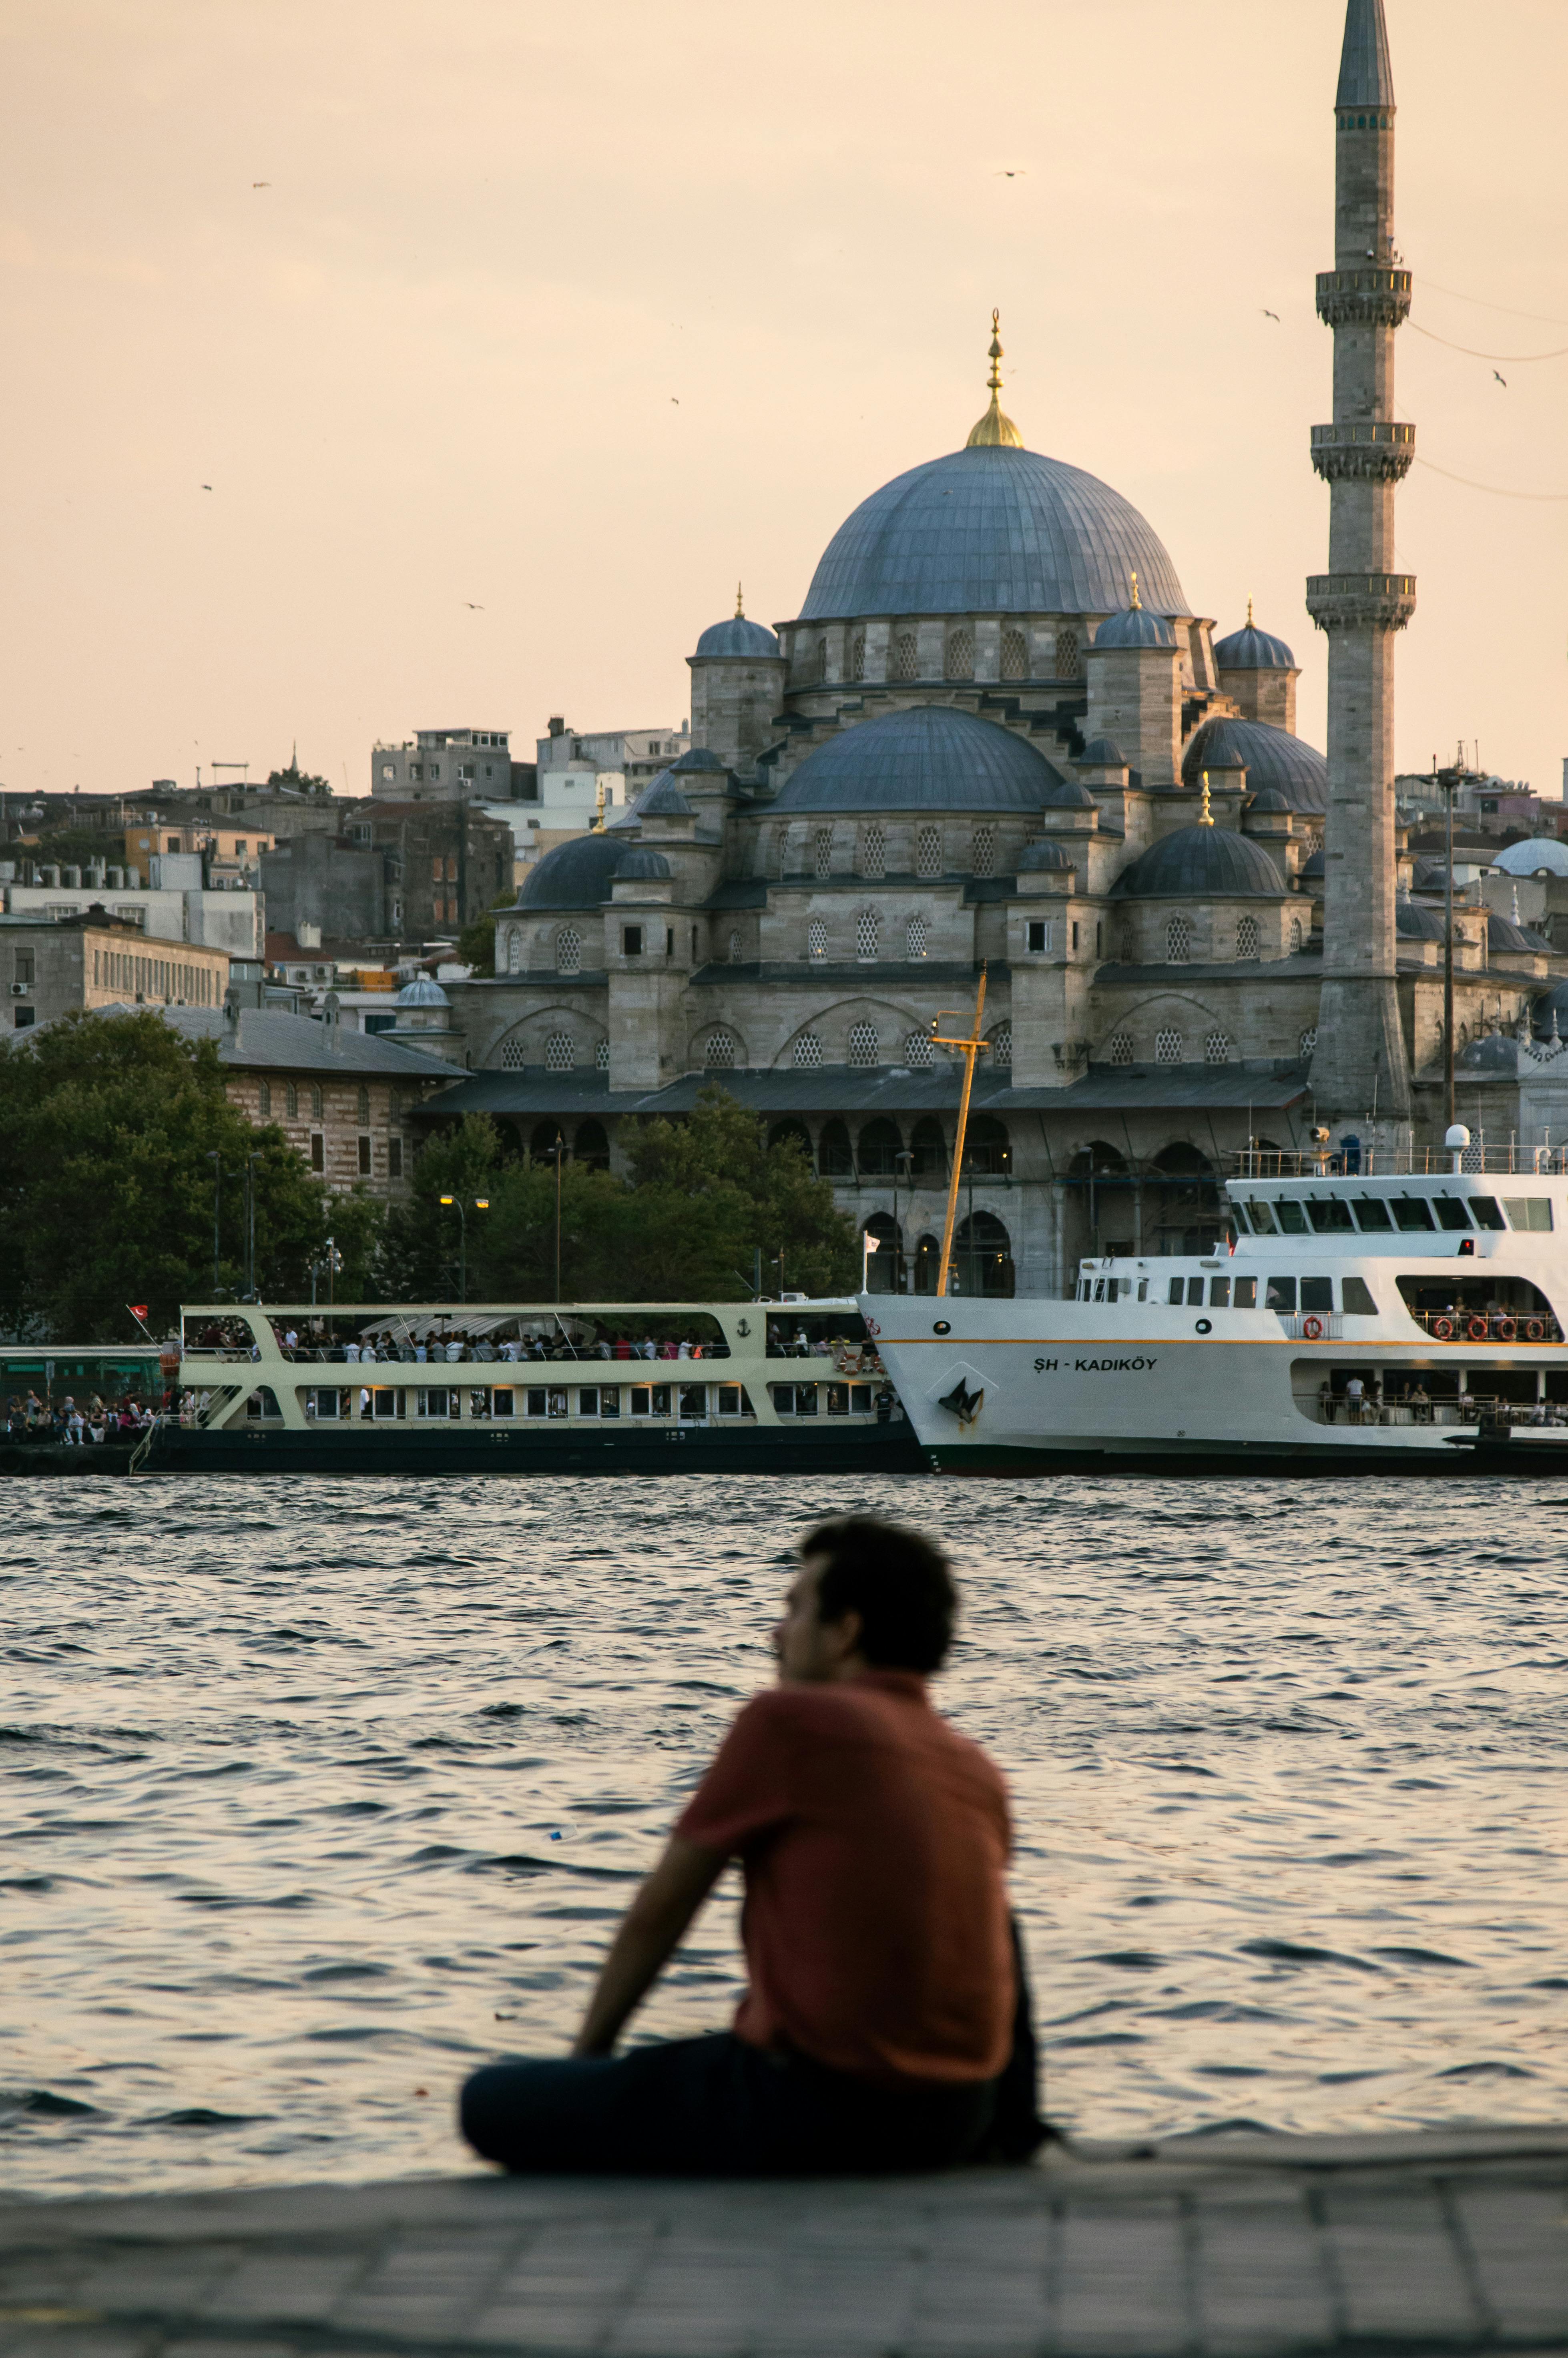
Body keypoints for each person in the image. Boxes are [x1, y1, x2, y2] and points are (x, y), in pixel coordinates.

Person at [461, 1516, 1043, 2177]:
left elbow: (664, 1907)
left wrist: (588, 2061)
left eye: (795, 1610)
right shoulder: (971, 1765)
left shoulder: (790, 1722)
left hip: (818, 2110)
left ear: (846, 1630)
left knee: (490, 2102)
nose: (776, 1633)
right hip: (955, 2119)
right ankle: (1020, 2127)